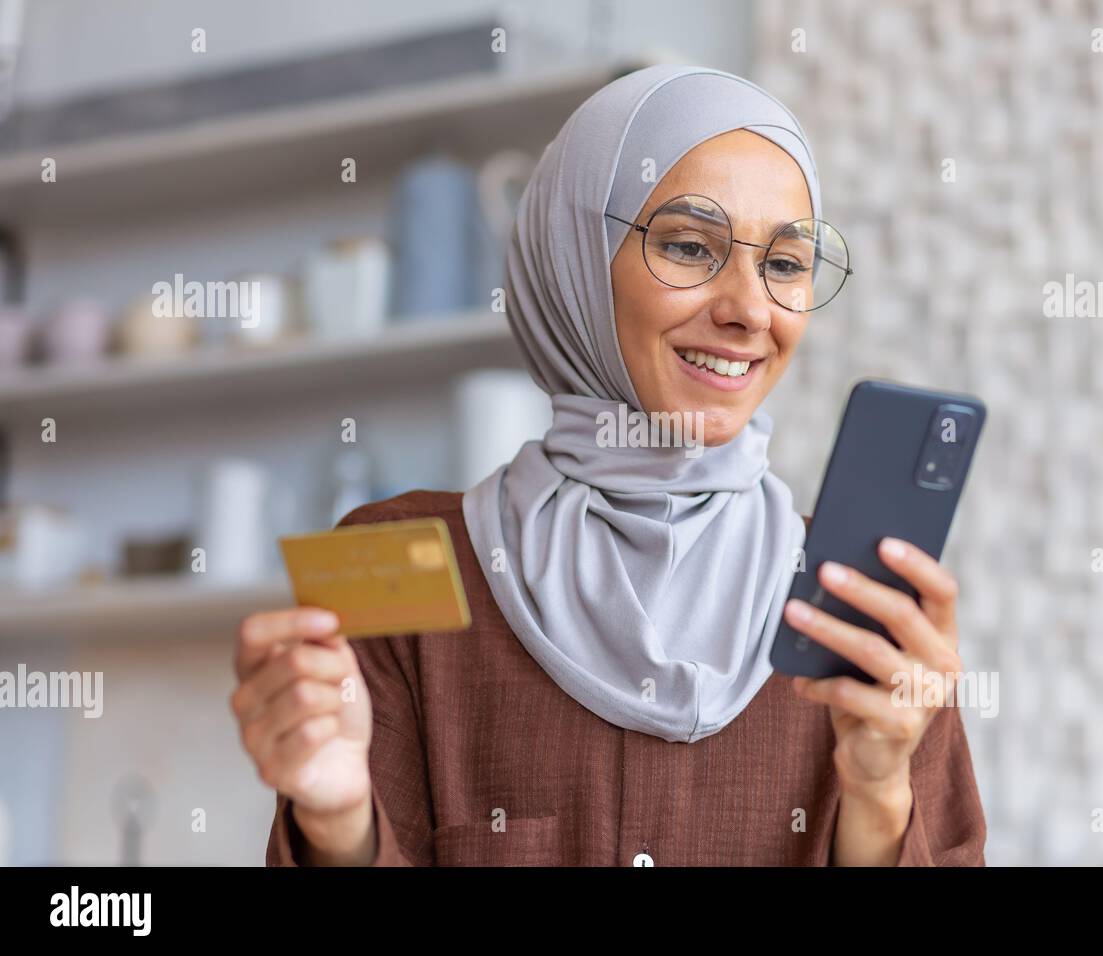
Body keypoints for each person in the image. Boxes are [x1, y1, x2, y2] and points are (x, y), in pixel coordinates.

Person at [230, 64, 986, 866]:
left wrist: (877, 799)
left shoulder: (860, 607)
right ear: (576, 261)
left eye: (786, 264)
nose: (749, 309)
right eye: (692, 246)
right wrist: (341, 826)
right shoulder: (389, 561)